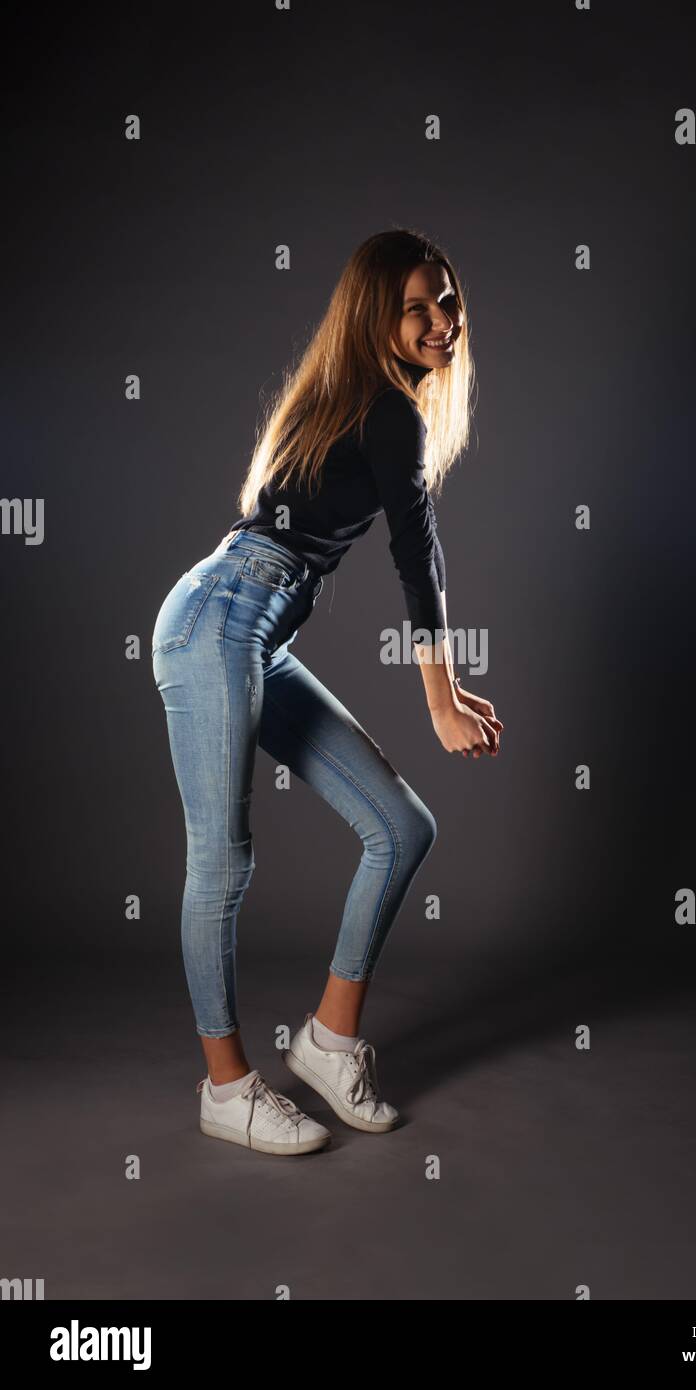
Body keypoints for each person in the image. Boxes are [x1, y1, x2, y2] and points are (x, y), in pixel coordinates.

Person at [151, 228, 504, 1157]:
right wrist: (441, 694)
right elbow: (414, 555)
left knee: (400, 827)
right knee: (221, 862)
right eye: (416, 308)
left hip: (248, 630)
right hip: (217, 621)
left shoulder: (362, 403)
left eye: (448, 299)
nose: (441, 321)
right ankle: (225, 1087)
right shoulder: (387, 410)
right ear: (376, 322)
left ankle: (327, 1040)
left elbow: (399, 545)